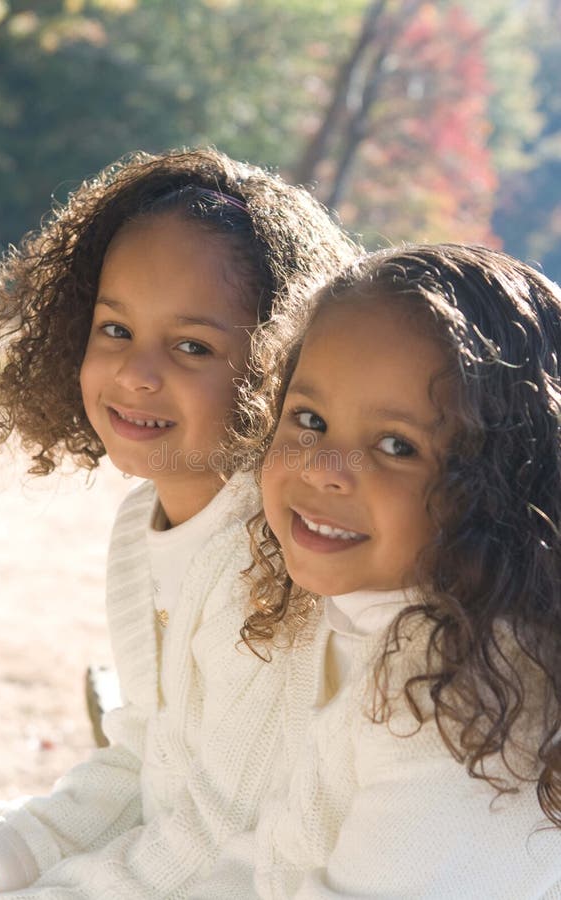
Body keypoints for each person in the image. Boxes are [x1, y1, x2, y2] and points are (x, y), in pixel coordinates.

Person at [0, 147, 355, 899]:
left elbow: (222, 832)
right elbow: (147, 758)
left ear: (278, 364)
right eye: (115, 330)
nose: (138, 372)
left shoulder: (281, 557)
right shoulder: (143, 524)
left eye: (191, 346)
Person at [227, 244, 561, 898]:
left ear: (498, 490)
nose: (323, 467)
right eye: (311, 419)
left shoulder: (466, 704)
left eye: (396, 445)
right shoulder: (378, 618)